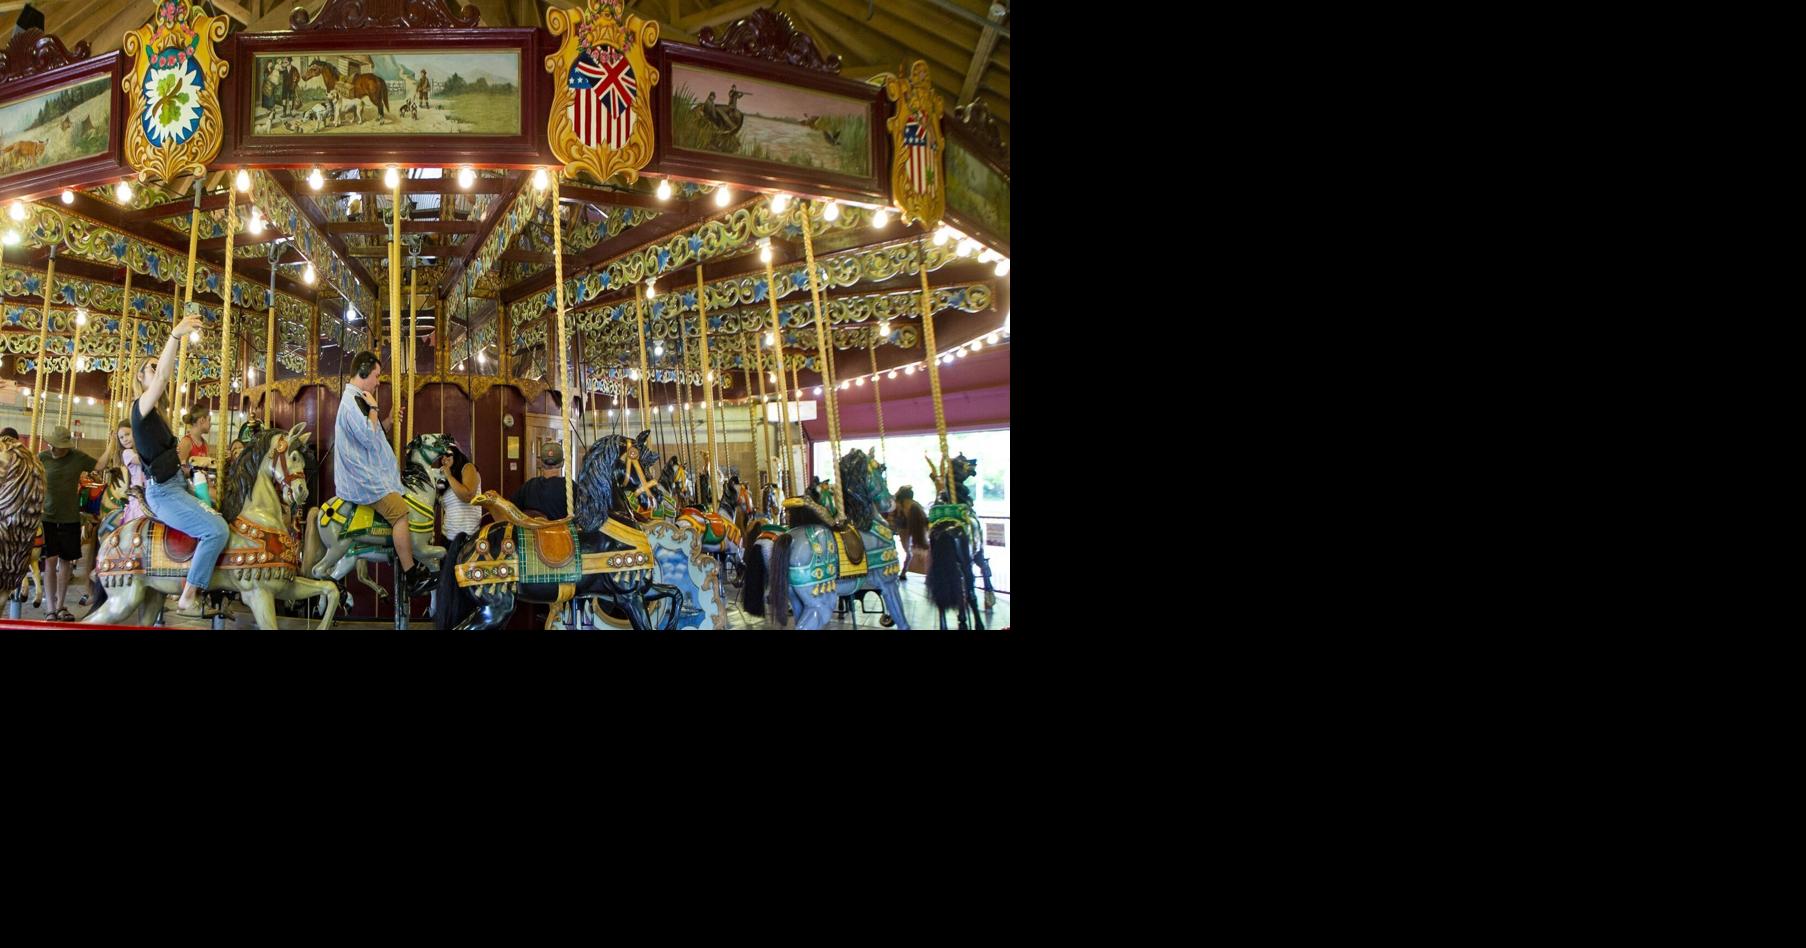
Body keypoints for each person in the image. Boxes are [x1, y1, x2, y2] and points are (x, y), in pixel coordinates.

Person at [134, 308, 228, 616]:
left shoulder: (155, 415)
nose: (157, 369)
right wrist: (175, 335)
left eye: (155, 365)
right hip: (163, 492)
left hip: (177, 483)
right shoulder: (140, 408)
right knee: (216, 530)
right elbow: (162, 376)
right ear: (140, 377)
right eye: (150, 367)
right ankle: (190, 593)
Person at [335, 350, 435, 595]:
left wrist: (388, 420)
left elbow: (374, 434)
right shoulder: (352, 403)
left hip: (375, 474)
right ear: (362, 372)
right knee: (400, 513)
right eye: (377, 376)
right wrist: (374, 410)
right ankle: (411, 574)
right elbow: (369, 440)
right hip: (364, 480)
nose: (379, 382)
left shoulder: (360, 399)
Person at [37, 425, 95, 621]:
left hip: (69, 517)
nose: (55, 449)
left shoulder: (77, 457)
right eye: (53, 445)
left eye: (59, 446)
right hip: (48, 517)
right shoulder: (42, 458)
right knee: (50, 561)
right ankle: (50, 608)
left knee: (66, 563)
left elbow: (100, 466)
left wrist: (113, 444)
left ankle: (61, 605)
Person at [433, 440, 483, 630]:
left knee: (466, 586)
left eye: (449, 455)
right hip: (449, 537)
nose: (445, 459)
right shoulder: (445, 480)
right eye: (442, 457)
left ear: (457, 455)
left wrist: (448, 476)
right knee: (447, 586)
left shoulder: (468, 468)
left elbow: (468, 496)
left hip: (468, 537)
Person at [512, 441, 568, 520]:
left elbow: (511, 510)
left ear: (540, 462)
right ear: (563, 463)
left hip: (532, 532)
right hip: (562, 531)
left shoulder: (528, 487)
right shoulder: (571, 488)